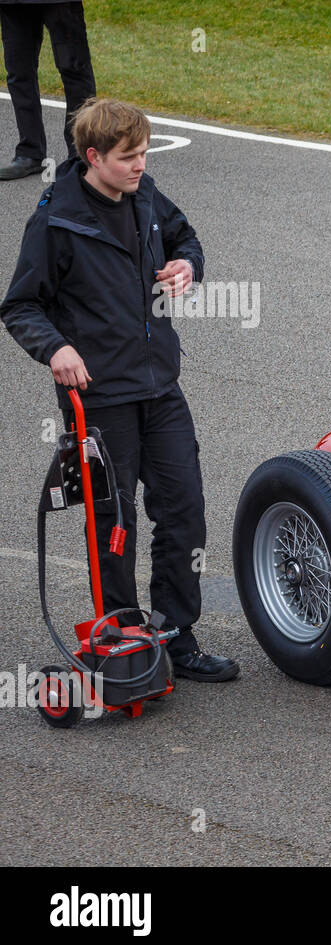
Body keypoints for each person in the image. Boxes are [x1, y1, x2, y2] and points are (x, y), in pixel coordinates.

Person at [1, 98, 237, 681]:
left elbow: (187, 239)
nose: (140, 165)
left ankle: (177, 637)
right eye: (129, 157)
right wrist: (55, 348)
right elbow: (20, 305)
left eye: (144, 153)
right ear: (93, 157)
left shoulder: (146, 196)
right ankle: (126, 647)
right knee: (115, 522)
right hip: (100, 398)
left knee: (184, 510)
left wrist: (186, 266)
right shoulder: (56, 220)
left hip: (161, 386)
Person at [0, 1, 96, 180]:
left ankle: (80, 152)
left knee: (75, 70)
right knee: (18, 73)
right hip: (12, 3)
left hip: (60, 3)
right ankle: (30, 152)